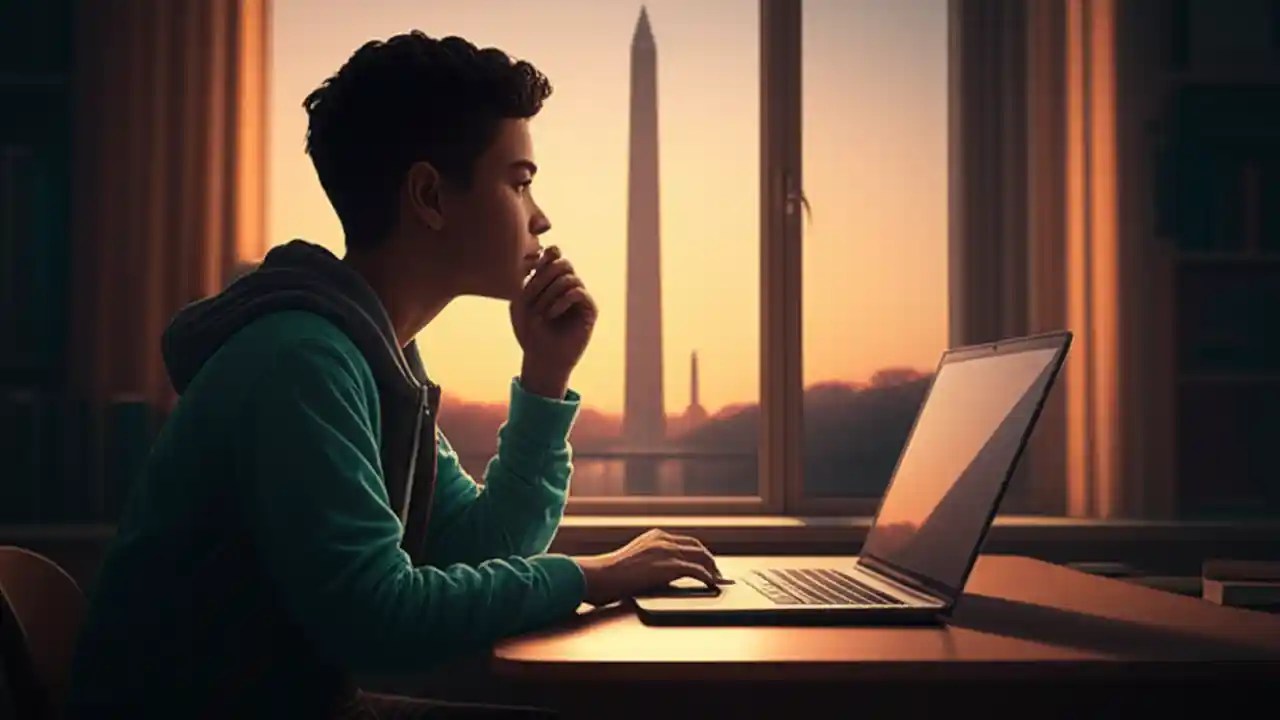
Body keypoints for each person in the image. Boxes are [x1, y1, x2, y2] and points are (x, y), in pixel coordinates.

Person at [65, 31, 723, 719]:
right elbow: (380, 618)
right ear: (430, 196)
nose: (540, 217)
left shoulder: (374, 354)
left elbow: (481, 543)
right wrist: (592, 575)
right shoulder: (304, 363)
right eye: (519, 182)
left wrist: (545, 378)